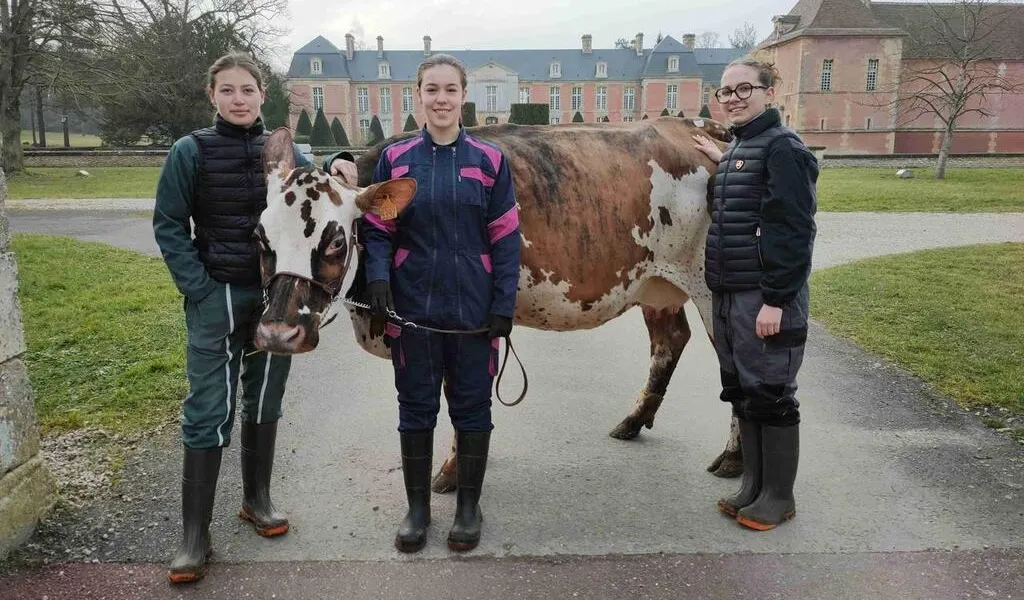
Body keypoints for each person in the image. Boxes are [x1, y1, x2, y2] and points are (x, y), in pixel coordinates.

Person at [330, 53, 520, 553]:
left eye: (450, 90)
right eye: (431, 89)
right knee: (415, 409)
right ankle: (417, 510)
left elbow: (505, 238)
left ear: (463, 97)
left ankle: (468, 507)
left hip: (474, 314)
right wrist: (377, 281)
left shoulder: (490, 162)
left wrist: (504, 304)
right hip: (411, 310)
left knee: (472, 410)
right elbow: (377, 228)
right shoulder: (397, 161)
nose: (441, 99)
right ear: (418, 96)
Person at [153, 51, 318, 583]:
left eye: (247, 89)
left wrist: (337, 158)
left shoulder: (290, 152)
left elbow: (321, 202)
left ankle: (256, 500)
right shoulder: (190, 151)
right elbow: (170, 225)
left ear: (262, 93)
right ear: (213, 96)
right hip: (217, 295)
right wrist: (199, 289)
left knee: (264, 397)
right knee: (207, 408)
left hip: (276, 297)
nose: (239, 99)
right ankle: (194, 536)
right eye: (228, 90)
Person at [692, 59, 818, 531]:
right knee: (744, 390)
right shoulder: (745, 145)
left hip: (763, 296)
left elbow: (793, 229)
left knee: (772, 391)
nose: (734, 98)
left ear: (769, 92)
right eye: (726, 92)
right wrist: (725, 159)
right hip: (730, 290)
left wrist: (777, 300)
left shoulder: (785, 148)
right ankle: (753, 486)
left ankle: (778, 497)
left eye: (745, 88)